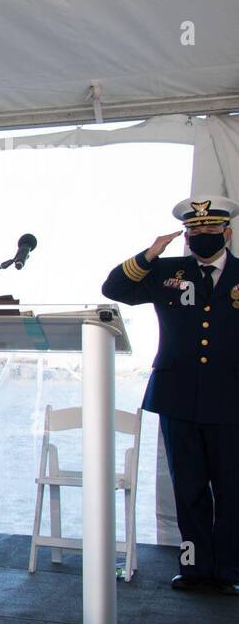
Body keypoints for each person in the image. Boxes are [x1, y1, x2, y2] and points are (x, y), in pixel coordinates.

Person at [102, 196, 239, 595]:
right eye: (194, 231)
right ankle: (195, 567)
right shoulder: (166, 271)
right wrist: (149, 253)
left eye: (211, 230)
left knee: (232, 490)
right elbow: (115, 287)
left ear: (226, 233)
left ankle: (230, 570)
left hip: (231, 399)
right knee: (189, 487)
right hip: (178, 397)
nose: (202, 236)